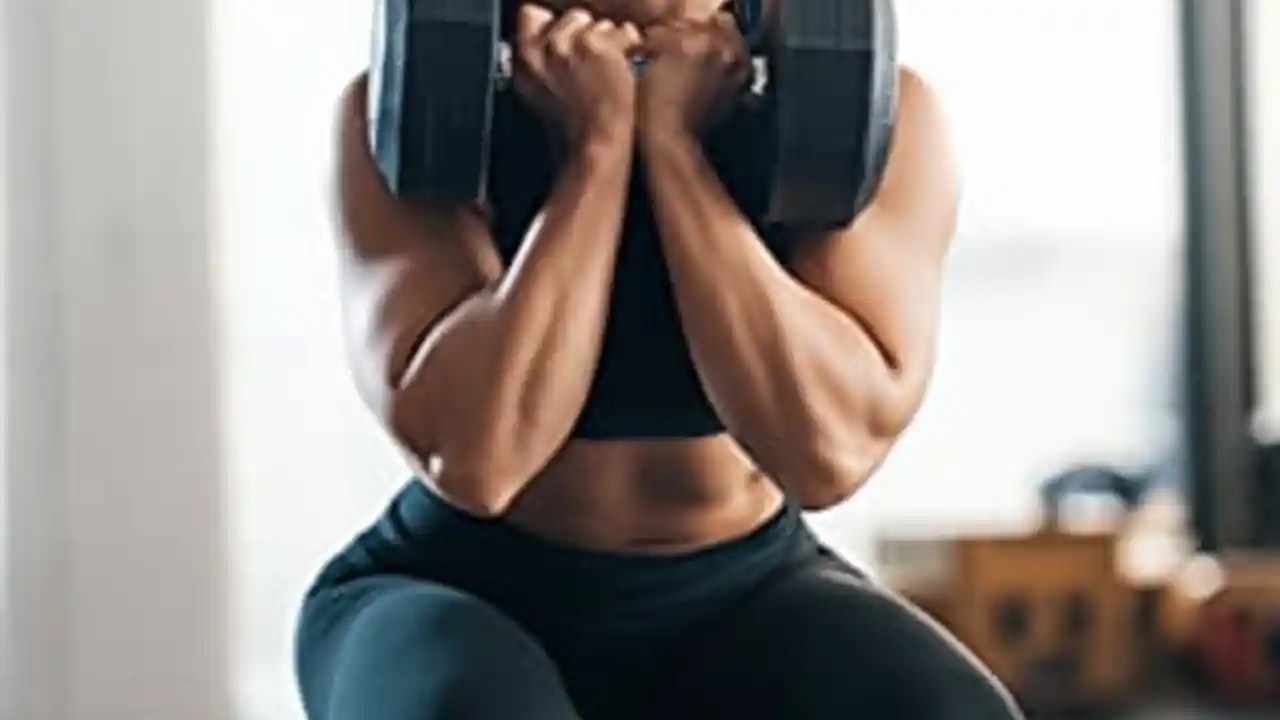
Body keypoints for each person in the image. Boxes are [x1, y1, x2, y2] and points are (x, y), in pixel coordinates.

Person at [295, 1, 1024, 718]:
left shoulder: (868, 108)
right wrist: (599, 150)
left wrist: (674, 149)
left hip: (745, 593)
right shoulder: (410, 100)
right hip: (463, 585)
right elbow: (479, 460)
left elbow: (825, 453)